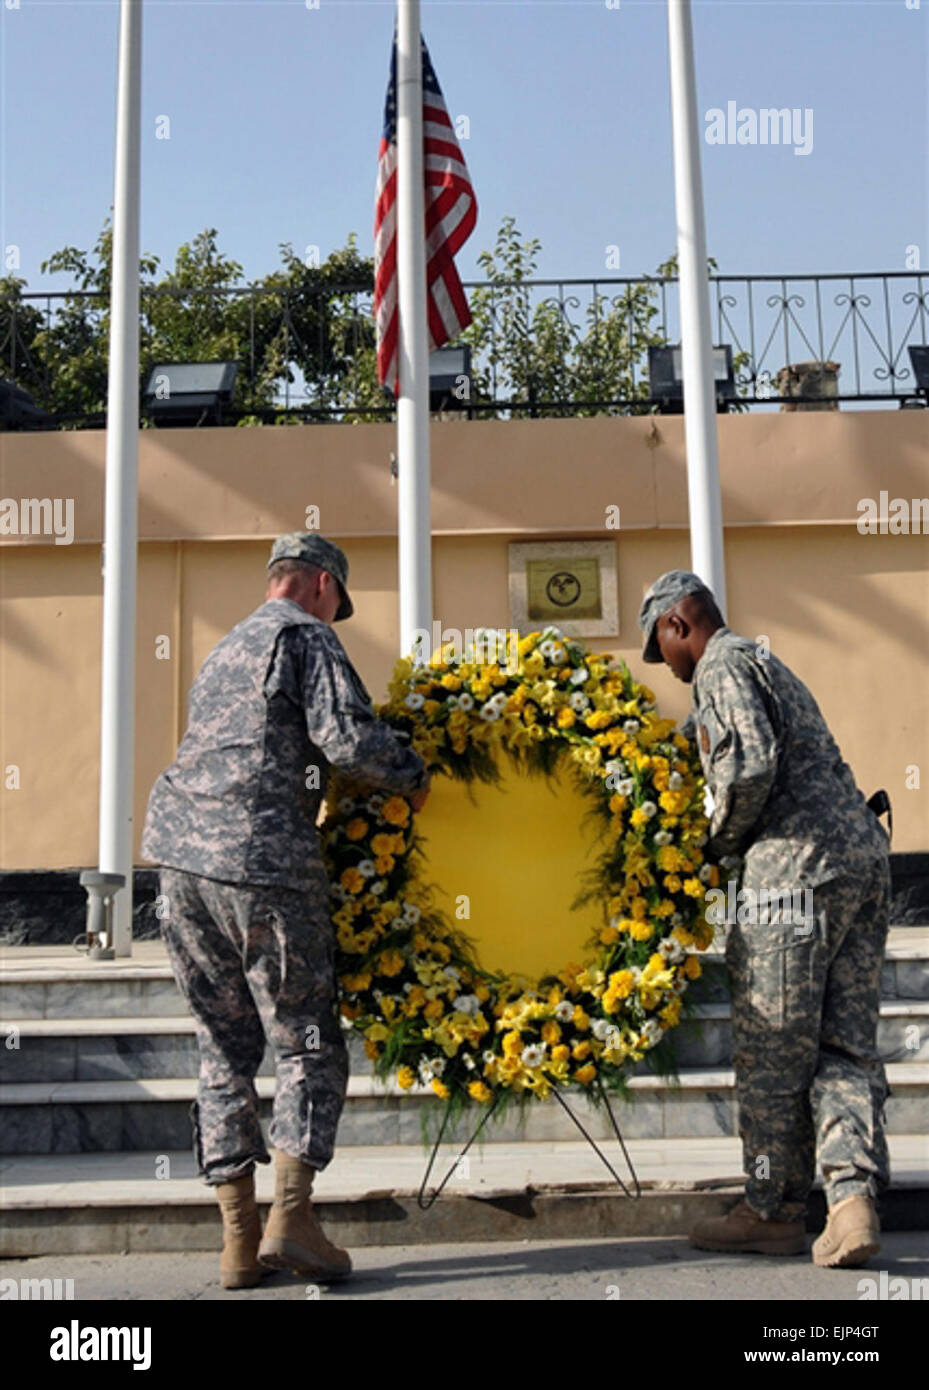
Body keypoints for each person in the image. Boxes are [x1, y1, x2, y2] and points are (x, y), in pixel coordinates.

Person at [141, 533, 429, 1289]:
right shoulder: (308, 637)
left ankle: (238, 1242)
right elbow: (346, 740)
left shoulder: (222, 649)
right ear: (321, 585)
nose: (335, 615)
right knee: (304, 1039)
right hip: (262, 862)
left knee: (221, 1047)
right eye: (338, 603)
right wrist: (411, 774)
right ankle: (293, 1219)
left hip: (176, 861)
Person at [637, 570, 891, 1267]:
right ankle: (849, 1201)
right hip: (861, 864)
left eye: (665, 652)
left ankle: (771, 1207)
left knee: (772, 1046)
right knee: (842, 1048)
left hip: (791, 877)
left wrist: (710, 845)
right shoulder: (764, 662)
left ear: (678, 625)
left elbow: (745, 768)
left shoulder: (719, 665)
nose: (671, 668)